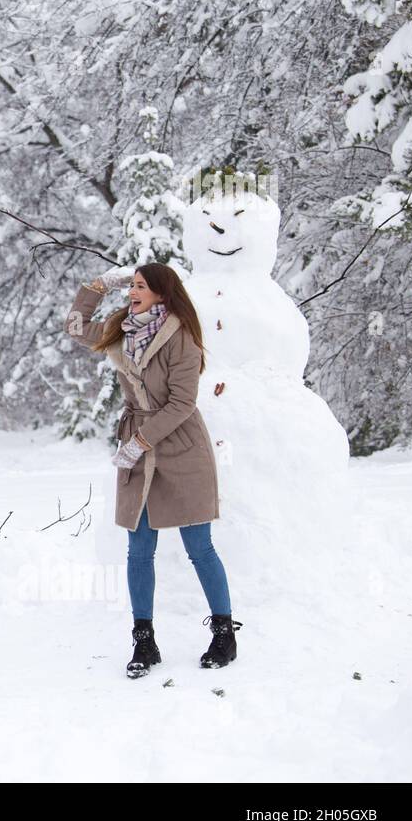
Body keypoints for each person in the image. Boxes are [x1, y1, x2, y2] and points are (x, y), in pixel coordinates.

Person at [65, 263, 241, 677]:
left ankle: (224, 634)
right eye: (131, 286)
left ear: (162, 293)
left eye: (141, 287)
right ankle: (144, 643)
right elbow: (75, 327)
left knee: (200, 547)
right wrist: (97, 286)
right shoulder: (120, 328)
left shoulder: (182, 339)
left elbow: (181, 405)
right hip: (137, 446)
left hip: (180, 447)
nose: (132, 292)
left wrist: (139, 443)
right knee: (139, 550)